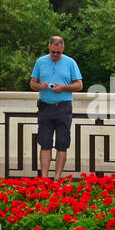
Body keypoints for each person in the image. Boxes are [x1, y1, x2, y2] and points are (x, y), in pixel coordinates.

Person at [30, 35, 83, 179]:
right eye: (53, 52)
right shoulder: (40, 61)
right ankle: (44, 178)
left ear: (63, 49)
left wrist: (64, 87)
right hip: (45, 107)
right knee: (45, 143)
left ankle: (57, 178)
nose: (55, 55)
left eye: (58, 52)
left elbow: (79, 85)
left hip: (63, 108)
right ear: (49, 47)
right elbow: (32, 83)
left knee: (62, 143)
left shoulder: (70, 62)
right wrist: (39, 86)